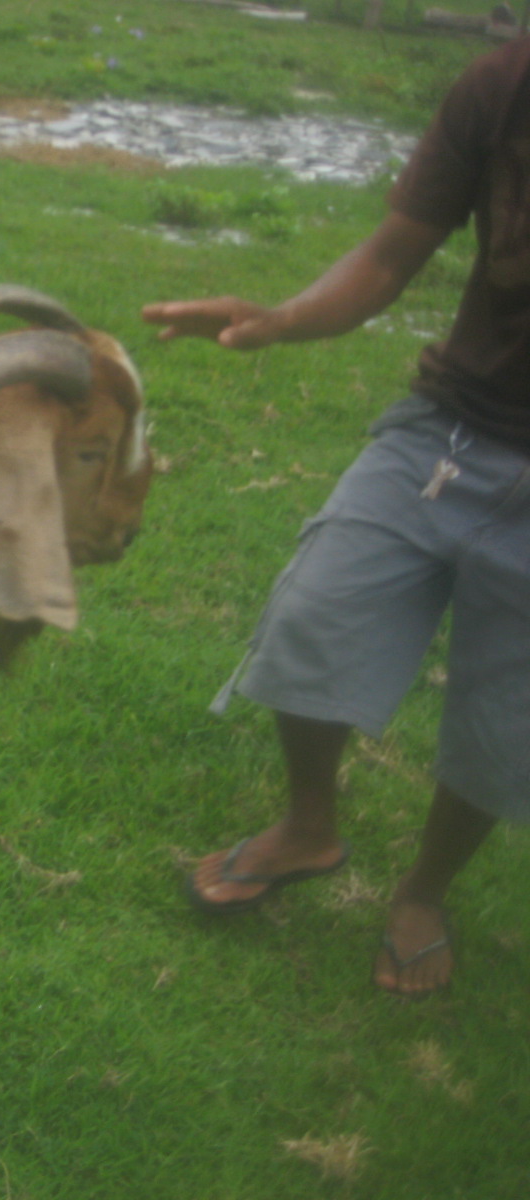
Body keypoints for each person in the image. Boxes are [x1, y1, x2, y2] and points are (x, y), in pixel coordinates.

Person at [142, 36, 530, 997]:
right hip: (451, 425)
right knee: (318, 609)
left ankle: (425, 891)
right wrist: (279, 319)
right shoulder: (502, 83)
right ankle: (310, 827)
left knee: (507, 716)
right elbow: (394, 253)